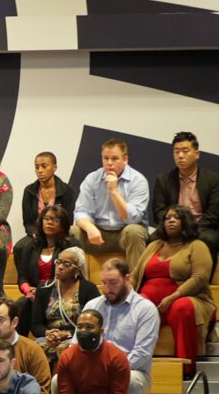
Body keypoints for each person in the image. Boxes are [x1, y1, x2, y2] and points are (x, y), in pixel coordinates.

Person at [134, 205, 214, 368]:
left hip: (189, 300)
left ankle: (186, 368)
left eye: (176, 218)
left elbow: (200, 278)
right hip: (153, 304)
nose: (170, 220)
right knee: (138, 305)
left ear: (185, 222)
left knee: (181, 307)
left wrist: (173, 297)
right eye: (167, 218)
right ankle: (137, 365)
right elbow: (135, 274)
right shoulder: (154, 245)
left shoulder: (197, 246)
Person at [73, 138, 150, 257]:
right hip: (98, 233)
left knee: (135, 231)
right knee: (73, 232)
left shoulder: (138, 181)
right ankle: (75, 276)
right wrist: (89, 227)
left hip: (124, 234)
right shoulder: (92, 178)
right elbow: (81, 211)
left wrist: (114, 191)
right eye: (106, 158)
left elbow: (133, 219)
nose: (109, 163)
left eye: (115, 158)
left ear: (125, 159)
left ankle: (136, 276)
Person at [24, 245, 98, 356]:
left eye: (66, 264)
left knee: (67, 350)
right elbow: (35, 325)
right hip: (49, 339)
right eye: (58, 262)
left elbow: (92, 325)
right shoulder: (44, 288)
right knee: (35, 349)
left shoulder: (88, 289)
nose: (60, 267)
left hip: (76, 339)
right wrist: (48, 333)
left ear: (78, 270)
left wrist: (67, 334)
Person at [153, 131, 219, 256]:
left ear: (197, 154)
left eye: (185, 151)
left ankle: (202, 275)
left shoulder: (213, 180)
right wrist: (174, 228)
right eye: (176, 151)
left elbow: (213, 216)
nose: (180, 156)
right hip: (172, 228)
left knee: (208, 240)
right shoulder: (163, 180)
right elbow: (159, 212)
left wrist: (190, 230)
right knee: (152, 240)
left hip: (202, 229)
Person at [14, 203, 76, 316]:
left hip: (60, 294)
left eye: (55, 219)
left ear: (63, 224)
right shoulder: (31, 245)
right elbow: (22, 277)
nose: (49, 222)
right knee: (21, 304)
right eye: (46, 218)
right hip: (35, 295)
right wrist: (29, 290)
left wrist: (43, 293)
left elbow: (72, 277)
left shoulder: (70, 246)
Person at [21, 149, 77, 243]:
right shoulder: (29, 191)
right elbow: (28, 222)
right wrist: (35, 234)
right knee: (20, 248)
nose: (40, 171)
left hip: (59, 235)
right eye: (37, 167)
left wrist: (55, 235)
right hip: (37, 235)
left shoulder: (67, 191)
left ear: (54, 168)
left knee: (72, 244)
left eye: (44, 166)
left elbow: (68, 220)